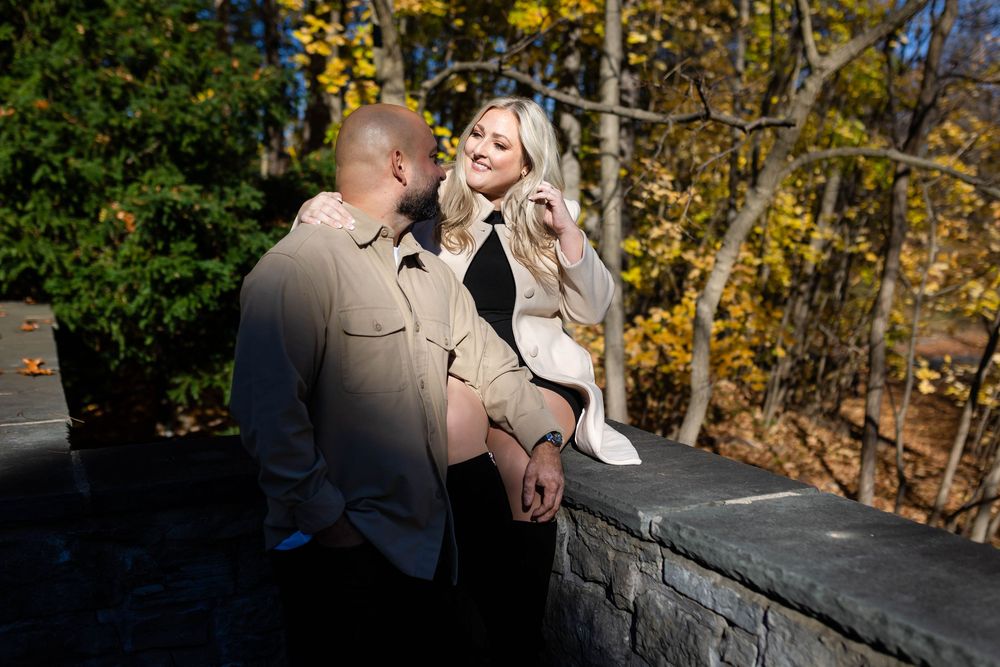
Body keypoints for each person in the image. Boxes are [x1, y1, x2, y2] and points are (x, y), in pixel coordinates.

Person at [296, 96, 642, 661]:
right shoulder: (435, 194)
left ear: (527, 163)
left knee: (522, 464)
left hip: (539, 372)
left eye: (500, 144)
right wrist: (315, 206)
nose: (478, 148)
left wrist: (569, 233)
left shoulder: (553, 212)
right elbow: (363, 213)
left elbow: (592, 308)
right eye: (477, 133)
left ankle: (517, 634)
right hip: (458, 364)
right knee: (455, 432)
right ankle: (461, 617)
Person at [230, 103, 566, 666]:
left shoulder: (429, 273)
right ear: (399, 165)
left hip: (427, 546)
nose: (445, 170)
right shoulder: (297, 267)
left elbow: (496, 367)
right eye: (434, 158)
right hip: (339, 556)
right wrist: (331, 525)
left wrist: (544, 444)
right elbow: (267, 414)